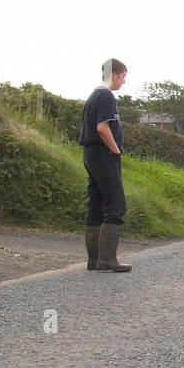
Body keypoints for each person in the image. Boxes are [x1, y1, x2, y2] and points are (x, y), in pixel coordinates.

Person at [79, 58, 131, 272]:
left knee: (97, 204)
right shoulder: (105, 96)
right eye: (123, 77)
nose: (124, 82)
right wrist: (115, 150)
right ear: (113, 75)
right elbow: (102, 128)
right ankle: (107, 259)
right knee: (116, 205)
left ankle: (94, 260)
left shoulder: (93, 96)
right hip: (103, 154)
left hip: (90, 154)